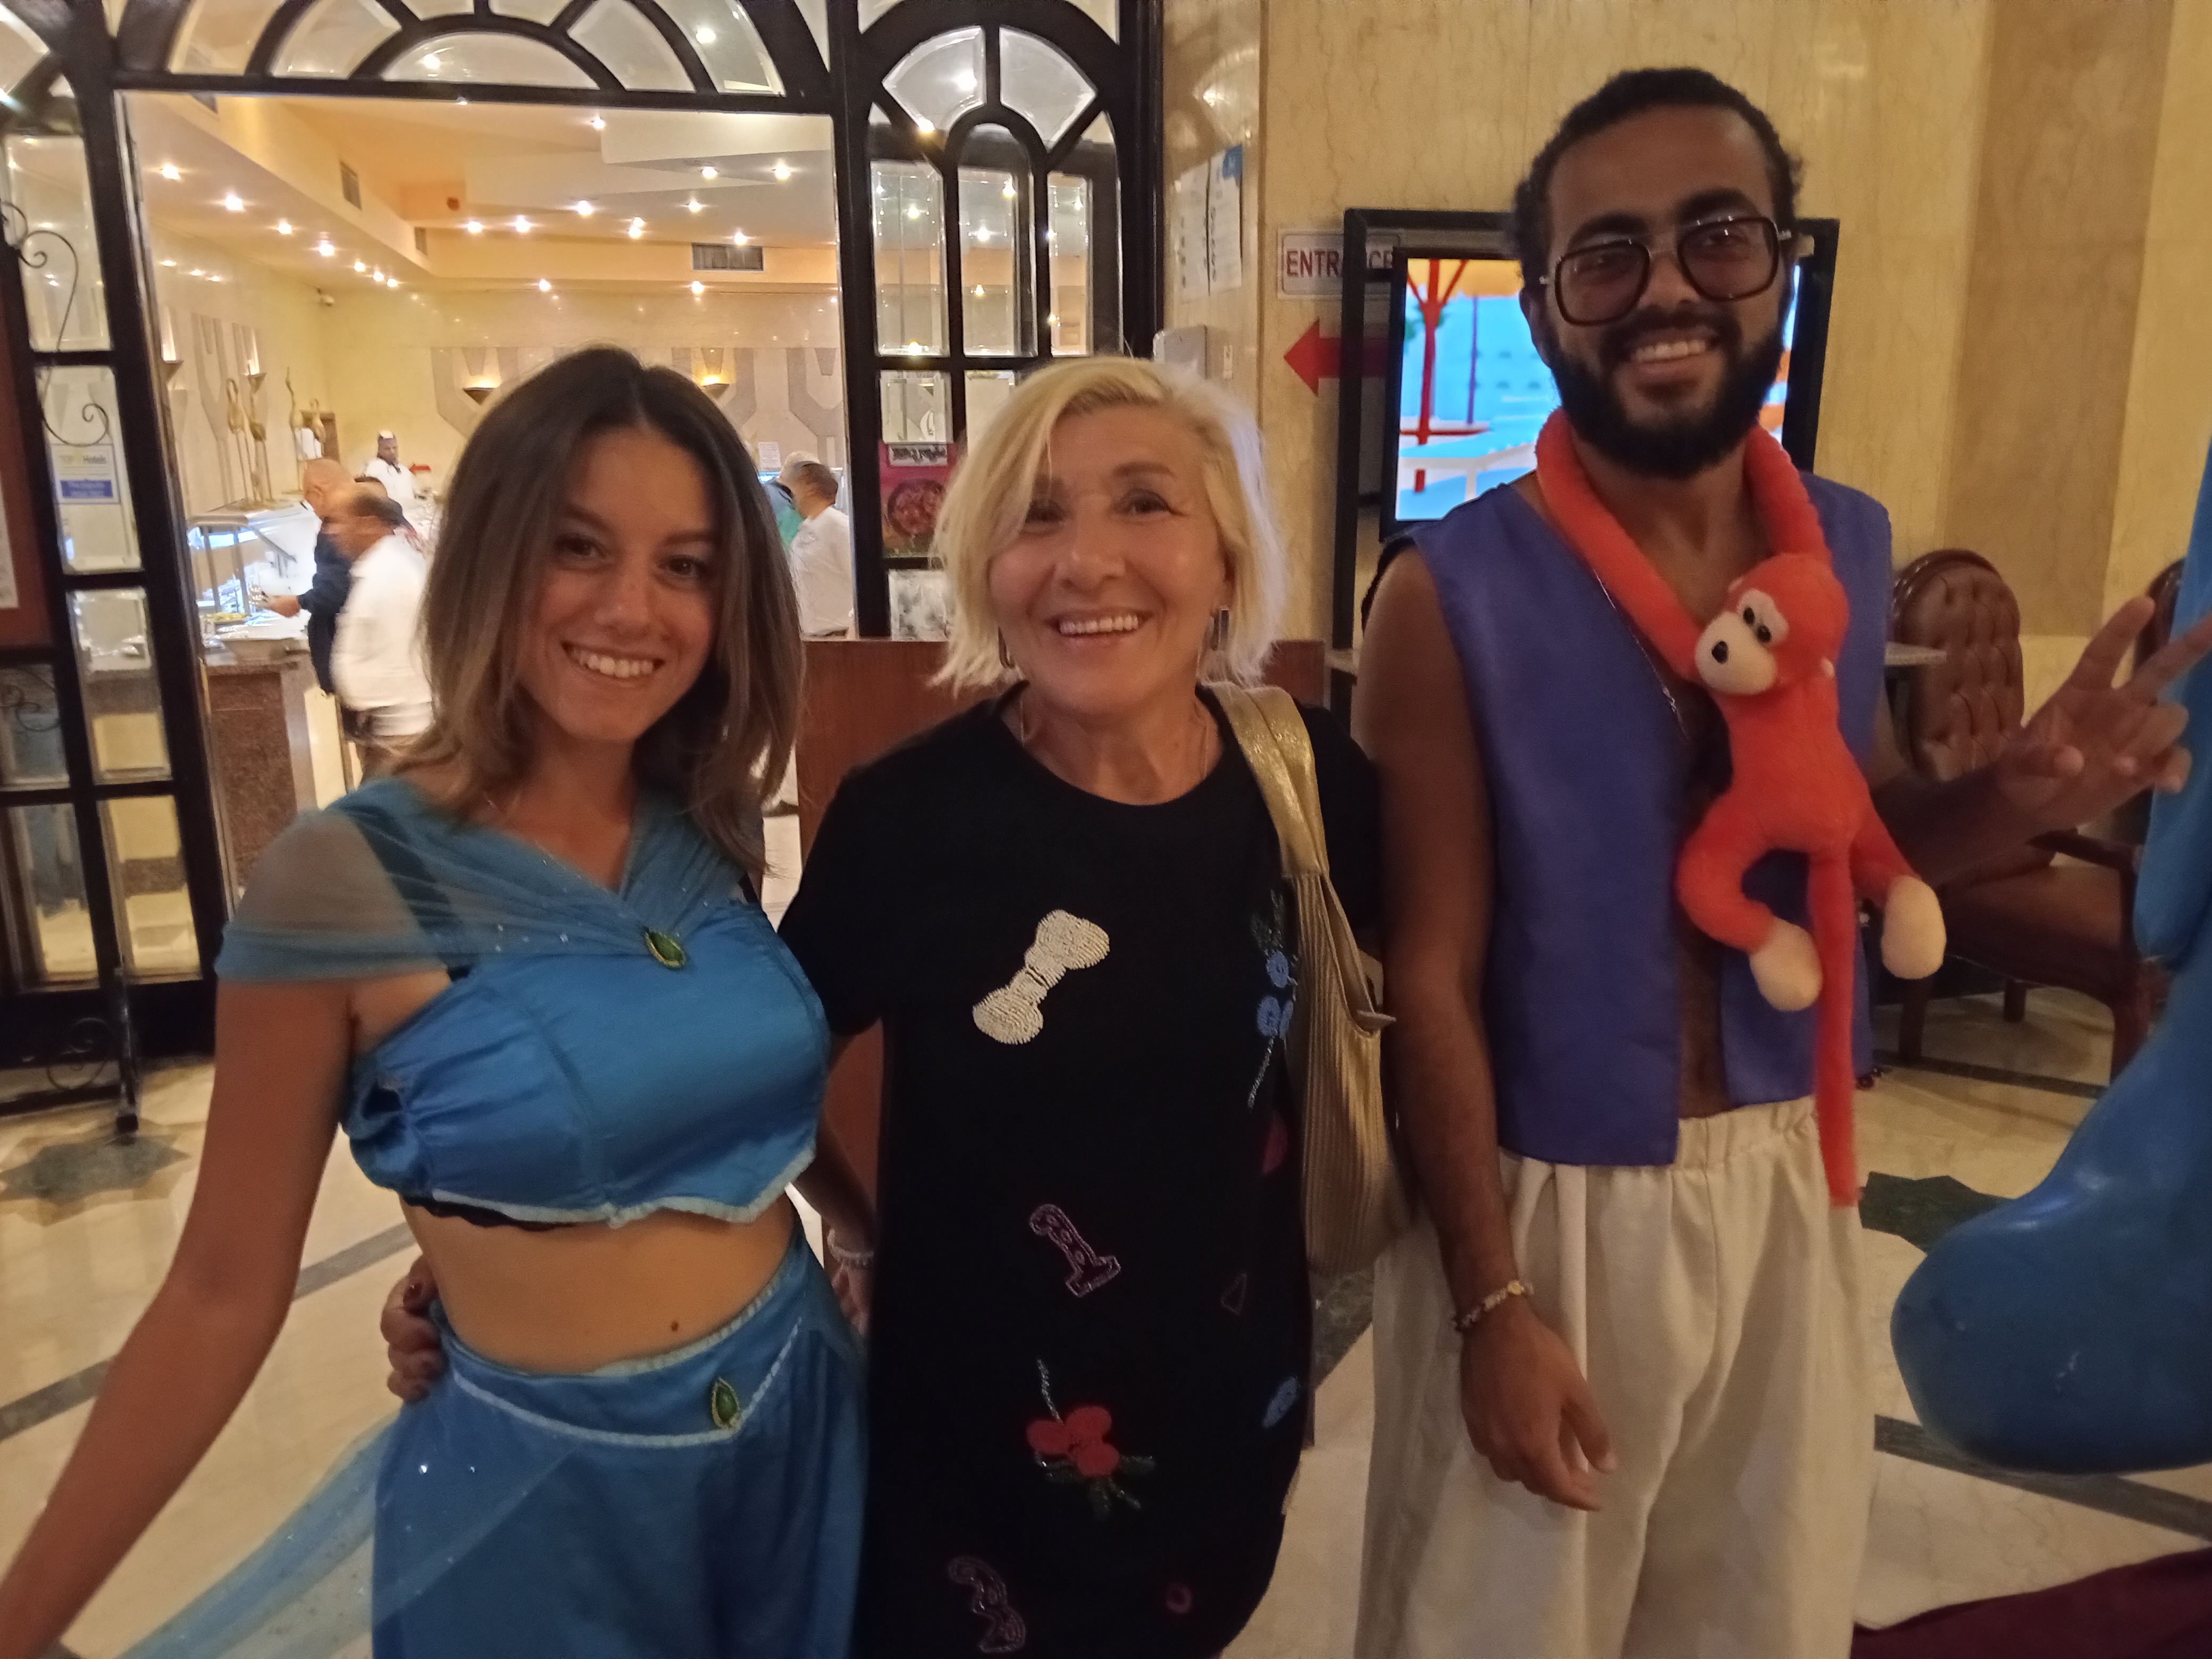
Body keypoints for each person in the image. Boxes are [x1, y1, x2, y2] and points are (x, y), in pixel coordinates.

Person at [1353, 68, 2212, 1659]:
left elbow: (1859, 838)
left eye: (1716, 233)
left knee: (1760, 1612)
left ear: (1778, 264)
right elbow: (1429, 974)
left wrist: (2018, 790)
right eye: (1606, 255)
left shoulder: (1845, 544)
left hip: (1792, 1173)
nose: (1666, 287)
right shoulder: (1445, 592)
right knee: (1498, 1623)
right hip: (1553, 1198)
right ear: (1544, 311)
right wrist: (1489, 1300)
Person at [390, 356, 1381, 1657]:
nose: (1086, 560)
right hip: (971, 1456)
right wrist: (517, 1254)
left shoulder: (1308, 781)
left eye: (1145, 503)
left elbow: (1438, 1006)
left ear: (1227, 556)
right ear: (984, 568)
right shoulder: (915, 818)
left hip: (1223, 1413)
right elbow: (742, 1071)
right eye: (1035, 515)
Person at [0, 347, 868, 1659]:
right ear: (494, 557)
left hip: (808, 1430)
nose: (633, 607)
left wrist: (873, 1240)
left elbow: (730, 1095)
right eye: (579, 547)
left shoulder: (705, 818)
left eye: (687, 565)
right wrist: (25, 1617)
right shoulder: (342, 878)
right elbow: (221, 1290)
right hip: (541, 1496)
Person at [326, 486, 433, 775]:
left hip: (403, 732)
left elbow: (403, 660)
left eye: (340, 521)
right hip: (392, 729)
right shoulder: (381, 568)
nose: (332, 532)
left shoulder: (391, 576)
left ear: (368, 524)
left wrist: (363, 696)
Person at [258, 457, 354, 696]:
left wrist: (297, 602)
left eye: (308, 500)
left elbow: (336, 590)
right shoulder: (368, 514)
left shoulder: (340, 526)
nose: (313, 508)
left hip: (351, 656)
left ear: (317, 493)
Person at [780, 456, 853, 637]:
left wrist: (852, 634)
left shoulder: (839, 527)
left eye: (795, 488)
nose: (793, 496)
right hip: (811, 637)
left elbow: (860, 585)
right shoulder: (805, 530)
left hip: (839, 636)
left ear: (809, 487)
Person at [361, 429, 416, 505]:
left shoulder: (404, 470)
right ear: (379, 449)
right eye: (387, 449)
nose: (392, 452)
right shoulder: (373, 469)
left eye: (395, 448)